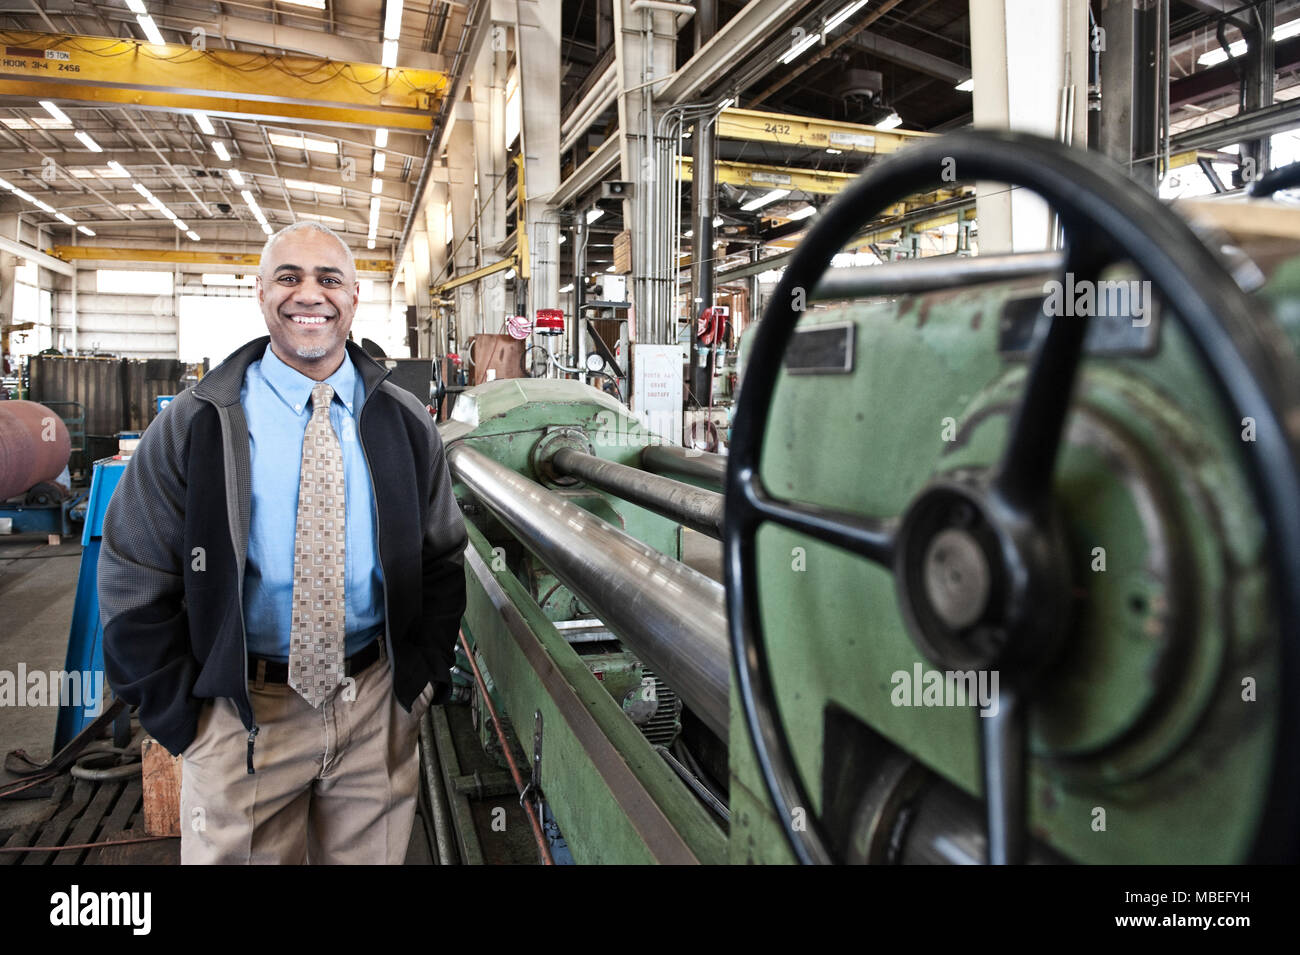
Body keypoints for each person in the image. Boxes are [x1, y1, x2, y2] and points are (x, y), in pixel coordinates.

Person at [98, 221, 467, 864]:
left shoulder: (405, 424)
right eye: (288, 278)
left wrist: (420, 682)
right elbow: (133, 567)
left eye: (329, 280)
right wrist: (182, 716)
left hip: (373, 705)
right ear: (261, 292)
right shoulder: (198, 422)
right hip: (243, 713)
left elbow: (441, 557)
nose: (309, 295)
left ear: (354, 298)